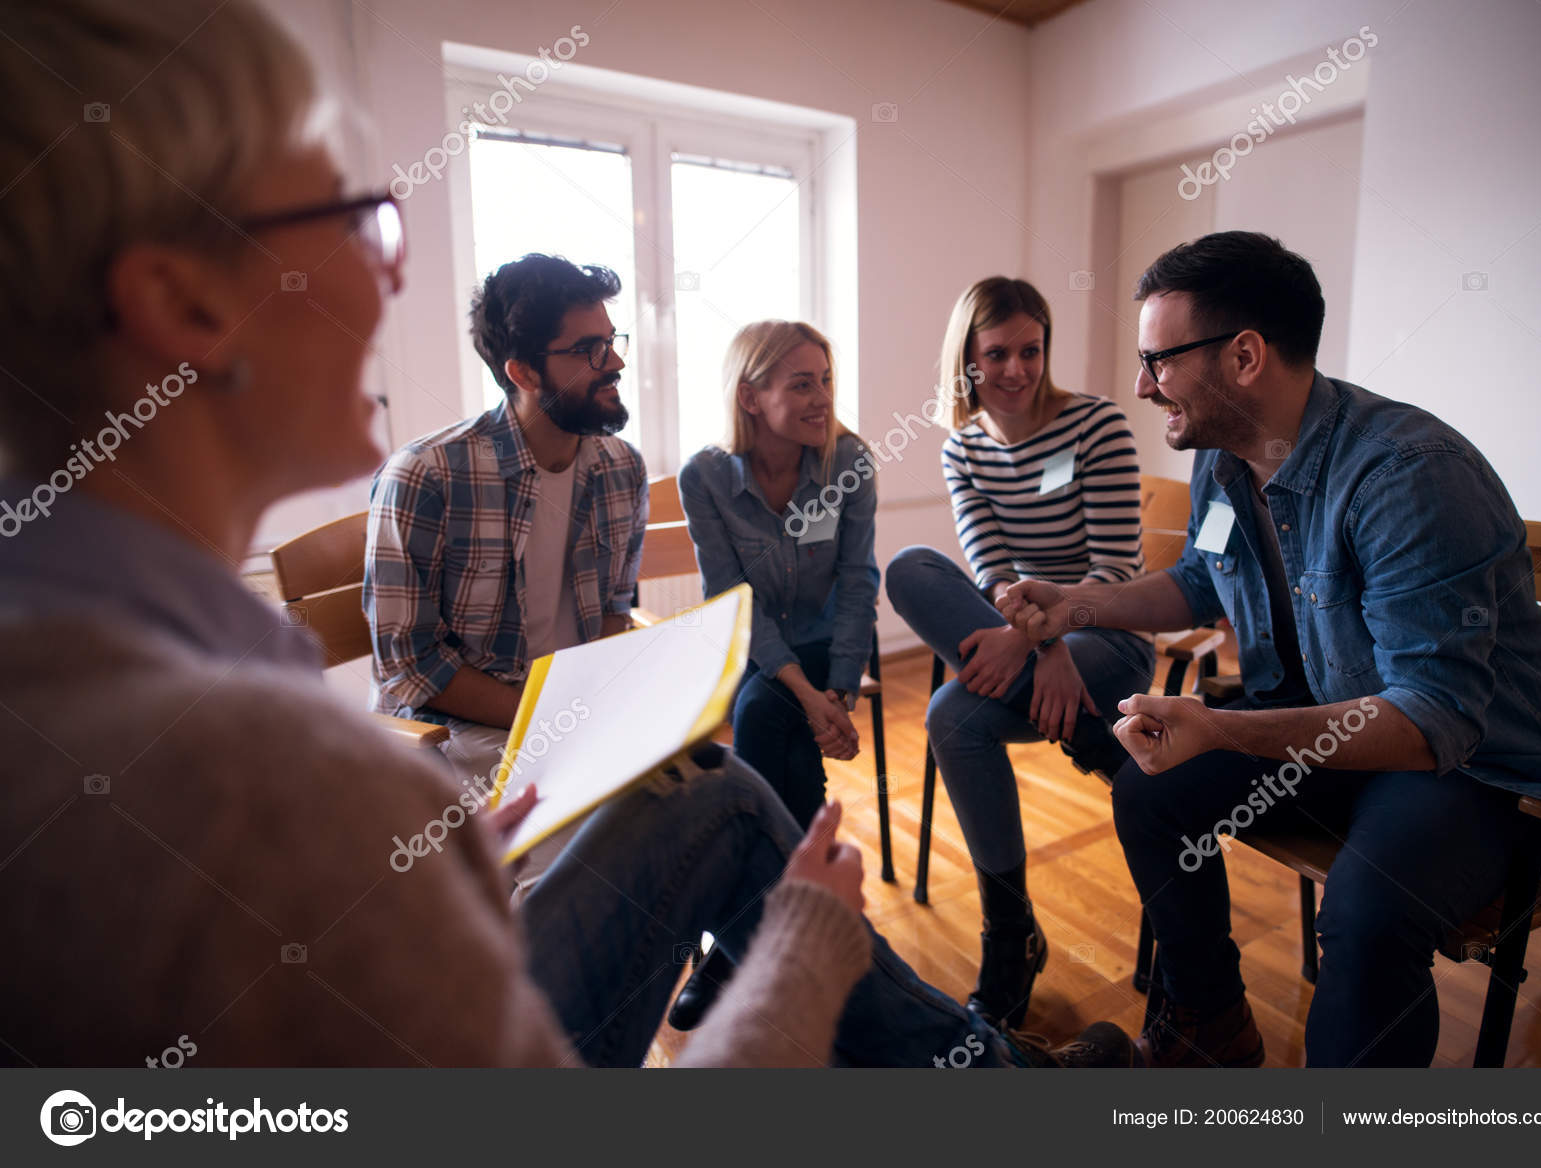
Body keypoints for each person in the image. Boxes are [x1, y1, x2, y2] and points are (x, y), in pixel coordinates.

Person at [0, 0, 1138, 1069]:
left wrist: (615, 717)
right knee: (745, 793)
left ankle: (956, 1052)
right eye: (352, 222)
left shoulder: (613, 475)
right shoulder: (300, 725)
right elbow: (418, 680)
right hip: (494, 766)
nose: (381, 273)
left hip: (561, 766)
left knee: (728, 786)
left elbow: (620, 622)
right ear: (180, 302)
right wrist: (803, 939)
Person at [1000, 231, 1541, 1067]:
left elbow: (1432, 721)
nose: (1142, 385)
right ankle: (1209, 1033)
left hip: (1470, 770)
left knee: (1366, 909)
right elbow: (1200, 586)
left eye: (1159, 360)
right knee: (1149, 792)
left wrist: (1222, 728)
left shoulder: (1408, 475)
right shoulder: (1222, 458)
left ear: (1244, 356)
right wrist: (1077, 605)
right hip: (1334, 734)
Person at [885, 277, 1155, 1029]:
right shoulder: (963, 450)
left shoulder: (1097, 426)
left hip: (1111, 642)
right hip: (1036, 645)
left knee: (946, 712)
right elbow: (993, 575)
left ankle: (1008, 941)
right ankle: (1017, 926)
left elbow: (1116, 575)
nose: (1015, 370)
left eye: (1030, 350)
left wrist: (1051, 636)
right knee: (911, 568)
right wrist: (1042, 646)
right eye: (995, 353)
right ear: (965, 361)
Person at [364, 251, 645, 884]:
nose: (616, 363)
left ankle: (705, 984)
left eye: (613, 341)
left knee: (702, 806)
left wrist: (600, 710)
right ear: (522, 371)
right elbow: (411, 666)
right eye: (590, 349)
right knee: (589, 862)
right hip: (460, 735)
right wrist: (552, 718)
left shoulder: (622, 469)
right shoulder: (427, 476)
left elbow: (611, 612)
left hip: (574, 718)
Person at [678, 321, 879, 827]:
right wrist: (811, 700)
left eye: (827, 380)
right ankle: (804, 876)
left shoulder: (849, 462)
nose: (823, 398)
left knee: (763, 714)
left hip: (826, 643)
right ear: (750, 397)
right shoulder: (705, 477)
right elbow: (730, 598)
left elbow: (858, 580)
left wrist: (838, 688)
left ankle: (768, 878)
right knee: (773, 715)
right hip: (749, 646)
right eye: (802, 384)